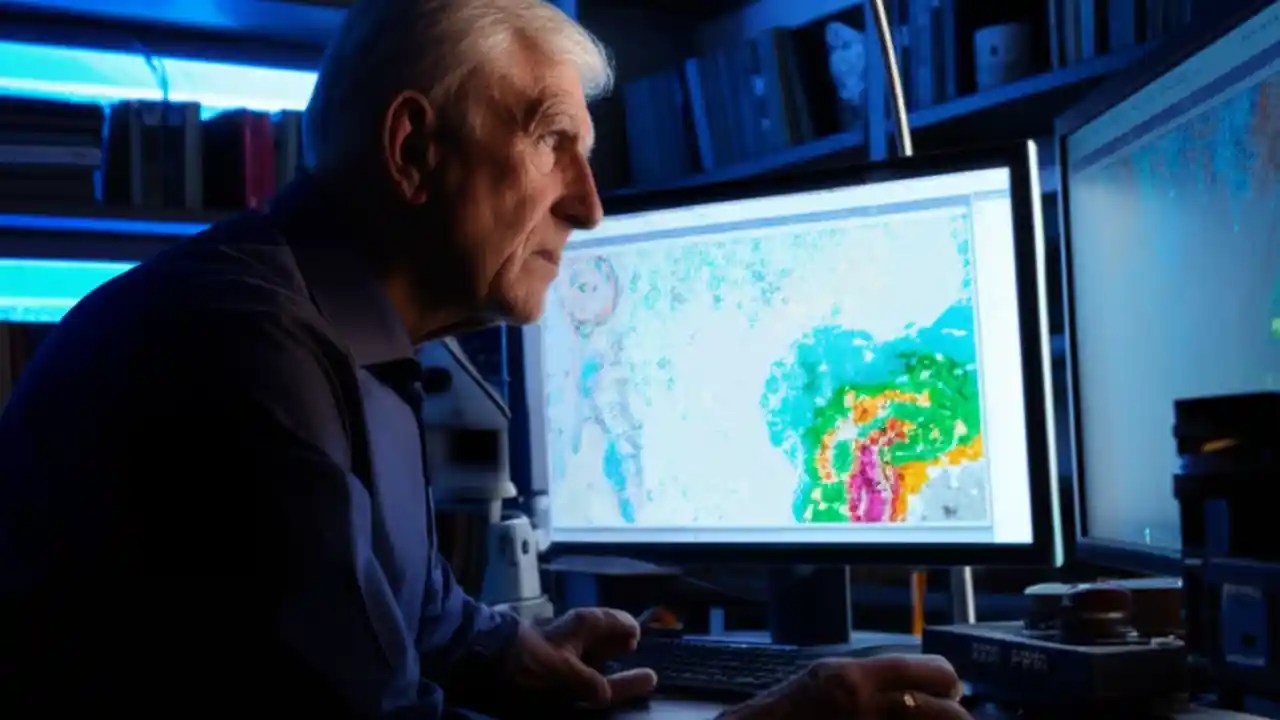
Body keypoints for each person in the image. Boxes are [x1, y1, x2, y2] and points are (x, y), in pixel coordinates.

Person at [0, 1, 971, 717]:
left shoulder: (349, 338)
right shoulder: (239, 359)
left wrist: (507, 647)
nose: (589, 205)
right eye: (555, 142)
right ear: (415, 148)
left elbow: (411, 609)